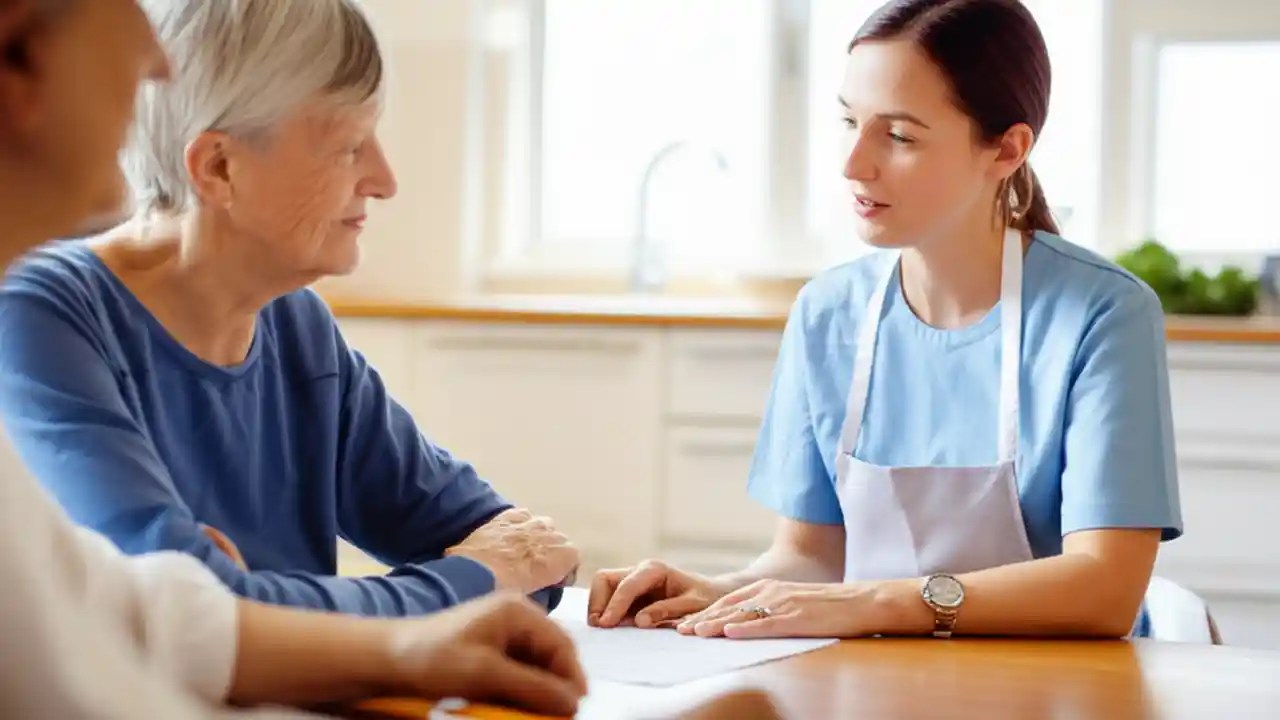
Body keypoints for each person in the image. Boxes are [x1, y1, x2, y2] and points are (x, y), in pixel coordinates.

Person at [0, 0, 587, 717]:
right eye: (349, 146)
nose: (384, 179)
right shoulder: (37, 313)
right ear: (219, 167)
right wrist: (469, 582)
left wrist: (472, 581)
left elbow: (528, 556)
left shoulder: (294, 321)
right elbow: (201, 612)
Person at [588, 0, 1182, 641]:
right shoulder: (828, 313)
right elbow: (813, 557)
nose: (854, 164)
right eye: (849, 121)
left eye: (899, 136)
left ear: (1007, 149)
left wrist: (881, 602)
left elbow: (1104, 589)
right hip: (878, 677)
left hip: (1060, 686)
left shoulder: (1102, 315)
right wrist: (719, 591)